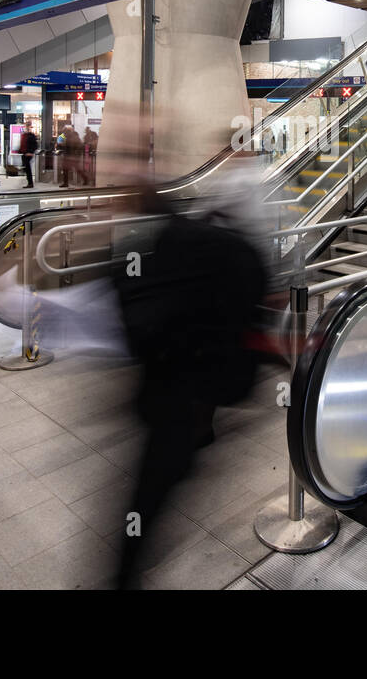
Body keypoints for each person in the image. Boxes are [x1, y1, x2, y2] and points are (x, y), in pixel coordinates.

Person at [110, 184, 266, 588]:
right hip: (192, 383)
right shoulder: (195, 243)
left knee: (151, 492)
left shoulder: (151, 255)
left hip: (174, 390)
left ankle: (124, 575)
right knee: (159, 482)